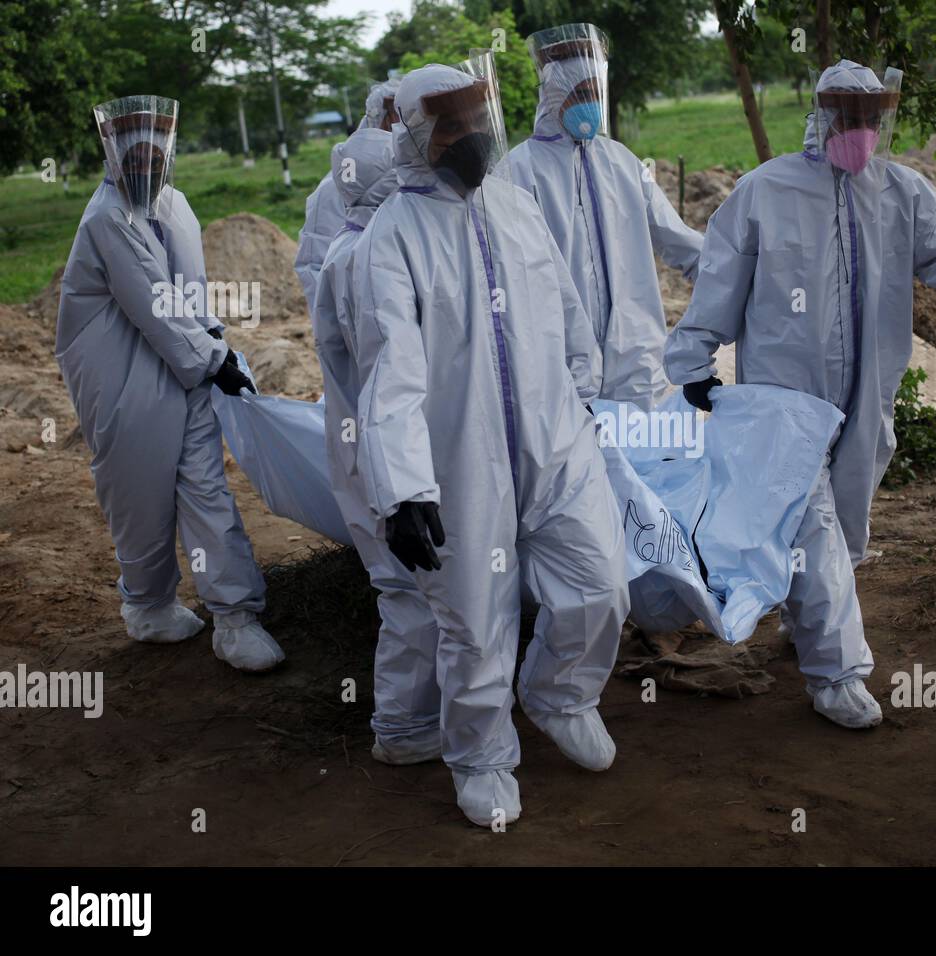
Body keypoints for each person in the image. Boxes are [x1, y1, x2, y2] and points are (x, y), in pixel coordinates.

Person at [664, 60, 936, 729]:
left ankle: (807, 617)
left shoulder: (900, 192)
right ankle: (838, 673)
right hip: (788, 402)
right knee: (812, 524)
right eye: (850, 118)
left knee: (843, 528)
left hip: (868, 398)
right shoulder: (765, 192)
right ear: (822, 116)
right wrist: (695, 356)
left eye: (872, 119)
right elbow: (721, 280)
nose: (862, 131)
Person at [350, 57, 629, 827]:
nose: (470, 135)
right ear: (416, 137)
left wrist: (584, 391)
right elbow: (391, 371)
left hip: (556, 441)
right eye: (450, 125)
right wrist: (404, 487)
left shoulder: (516, 205)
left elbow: (566, 307)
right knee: (474, 623)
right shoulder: (393, 234)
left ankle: (560, 692)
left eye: (477, 119)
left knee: (602, 582)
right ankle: (481, 758)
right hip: (459, 461)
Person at [56, 95, 283, 671]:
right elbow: (154, 305)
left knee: (207, 488)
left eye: (156, 157)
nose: (147, 170)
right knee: (140, 497)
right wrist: (214, 358)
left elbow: (190, 294)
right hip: (123, 378)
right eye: (134, 160)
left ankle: (234, 615)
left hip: (188, 366)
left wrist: (215, 348)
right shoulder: (107, 217)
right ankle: (150, 605)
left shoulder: (177, 205)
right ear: (113, 159)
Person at [310, 126, 447, 765]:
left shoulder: (348, 247)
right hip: (376, 457)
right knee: (409, 595)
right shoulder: (362, 259)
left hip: (365, 449)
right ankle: (401, 730)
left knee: (411, 593)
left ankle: (418, 717)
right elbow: (386, 377)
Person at [509, 23, 702, 410]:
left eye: (596, 94)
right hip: (563, 364)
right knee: (579, 465)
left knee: (641, 461)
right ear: (555, 94)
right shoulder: (519, 171)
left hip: (637, 358)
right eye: (582, 94)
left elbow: (674, 236)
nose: (592, 104)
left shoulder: (620, 160)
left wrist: (740, 272)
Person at [294, 78, 400, 311]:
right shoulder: (338, 187)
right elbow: (316, 269)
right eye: (399, 117)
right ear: (381, 119)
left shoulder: (421, 179)